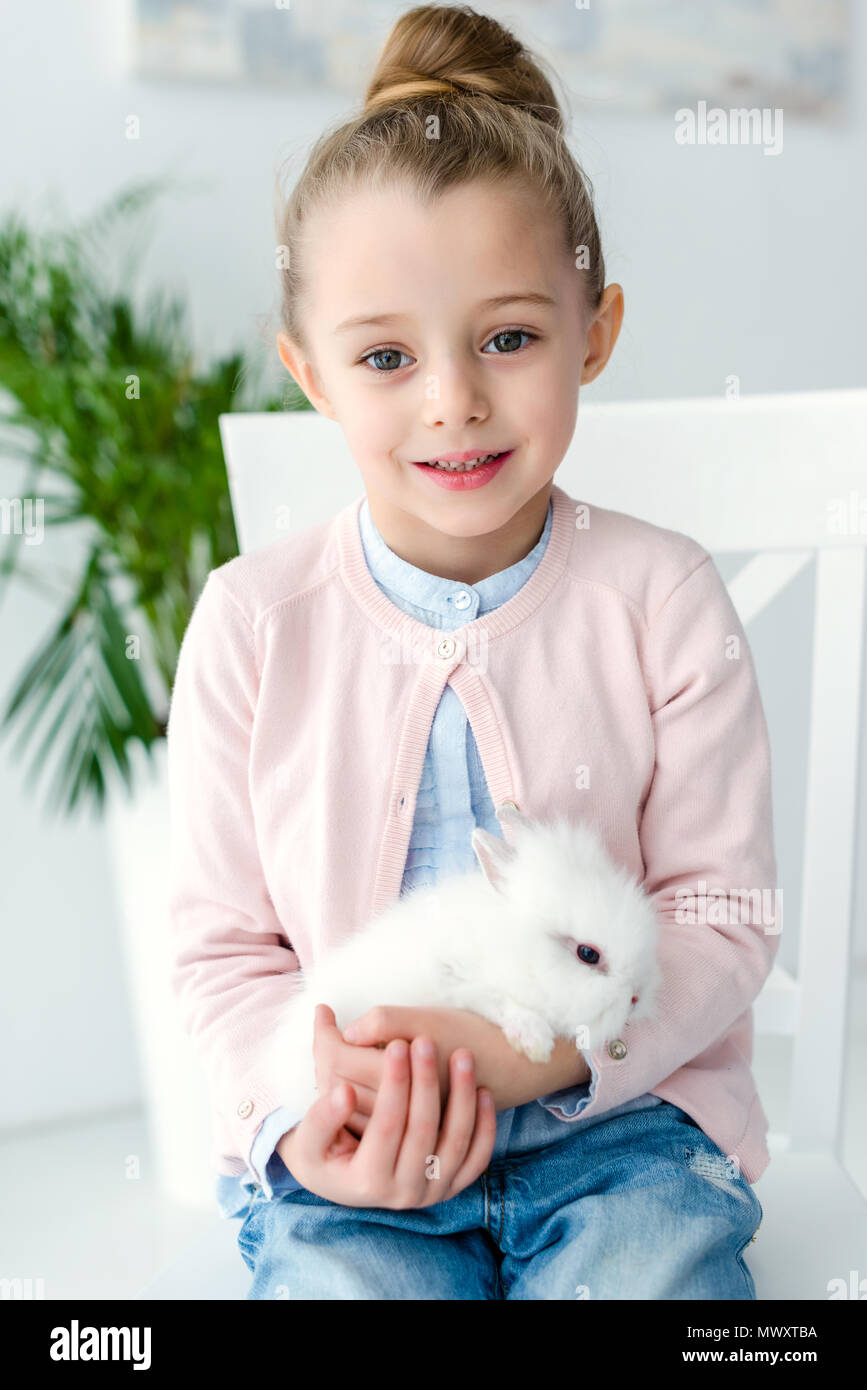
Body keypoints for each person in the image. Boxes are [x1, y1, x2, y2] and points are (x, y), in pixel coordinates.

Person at [167, 3, 776, 1300]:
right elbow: (222, 956)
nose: (451, 397)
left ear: (595, 329)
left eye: (509, 335)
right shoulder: (251, 626)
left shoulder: (660, 596)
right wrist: (313, 1100)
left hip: (627, 1137)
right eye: (386, 354)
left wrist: (543, 1057)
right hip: (360, 1152)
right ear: (312, 374)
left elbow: (721, 914)